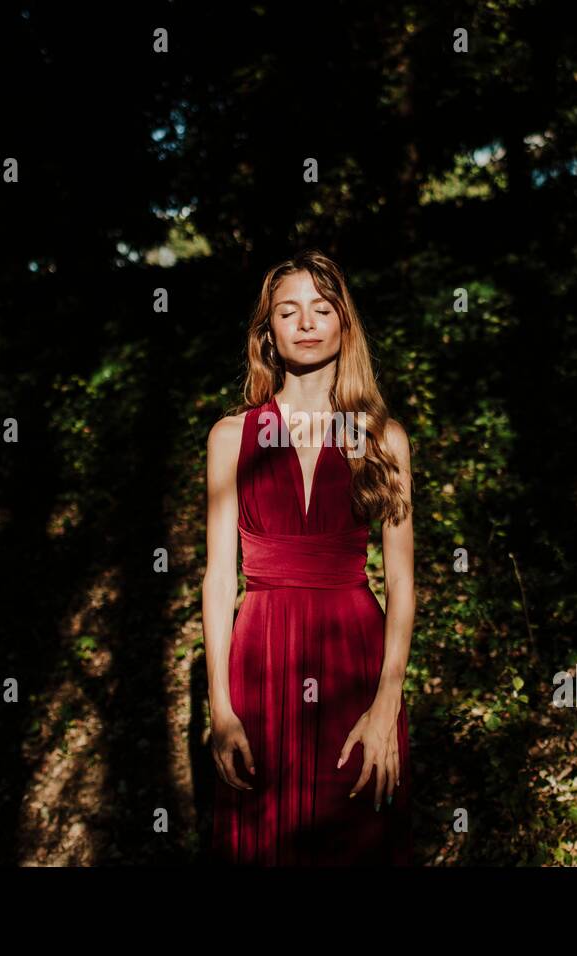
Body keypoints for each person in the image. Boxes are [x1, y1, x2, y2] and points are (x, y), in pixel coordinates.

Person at [203, 249, 415, 865]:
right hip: (259, 657)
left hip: (355, 656)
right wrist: (219, 705)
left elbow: (400, 584)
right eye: (287, 311)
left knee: (359, 838)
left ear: (344, 322)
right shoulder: (232, 436)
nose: (306, 322)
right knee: (263, 841)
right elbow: (219, 579)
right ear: (267, 332)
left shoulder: (378, 435)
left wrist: (386, 705)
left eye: (322, 309)